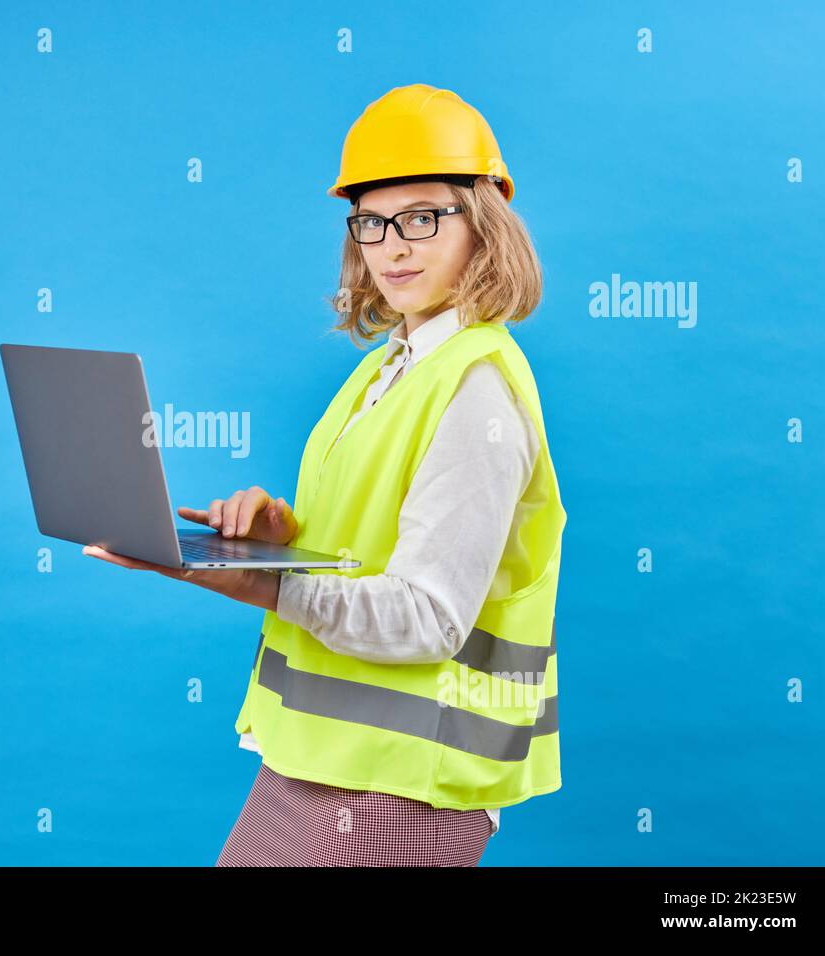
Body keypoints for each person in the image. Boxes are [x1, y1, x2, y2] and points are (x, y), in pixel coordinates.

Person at [84, 83, 566, 866]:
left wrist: (262, 585)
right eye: (372, 223)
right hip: (311, 758)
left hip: (406, 788)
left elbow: (427, 618)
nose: (394, 247)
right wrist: (278, 542)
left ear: (483, 225)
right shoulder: (391, 368)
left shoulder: (476, 388)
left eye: (423, 218)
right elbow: (368, 544)